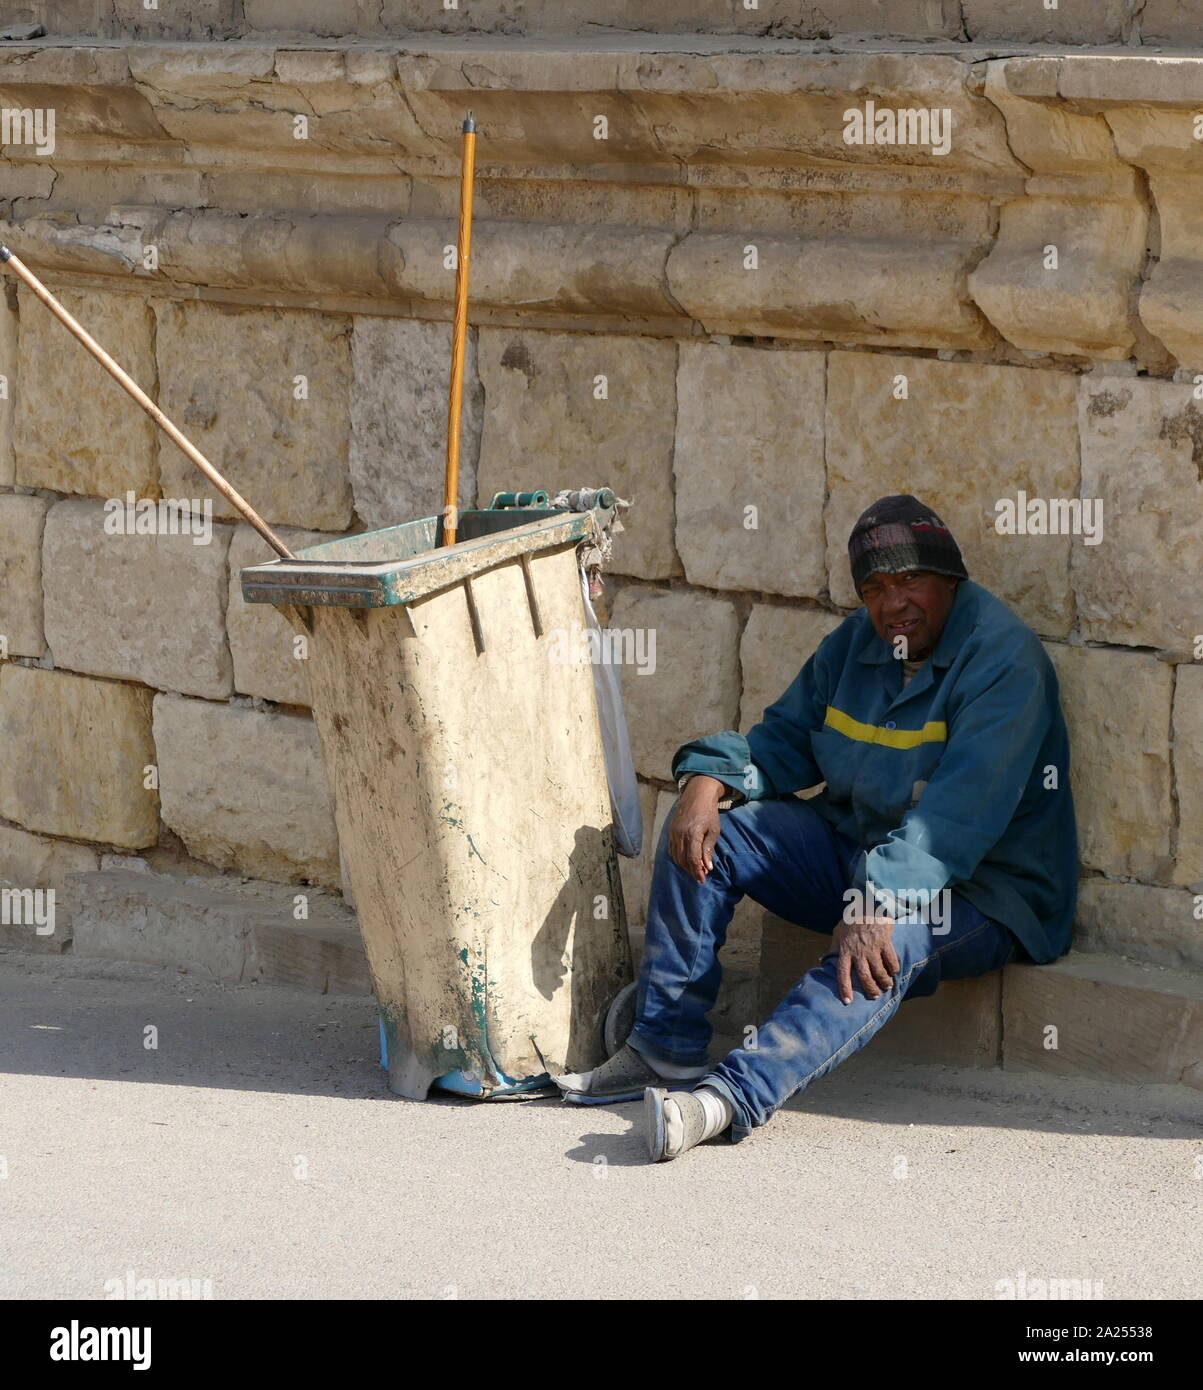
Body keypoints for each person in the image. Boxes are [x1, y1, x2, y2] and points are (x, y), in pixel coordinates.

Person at [555, 494, 1077, 1163]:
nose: (894, 604)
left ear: (950, 580)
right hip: (858, 851)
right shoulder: (856, 646)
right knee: (716, 833)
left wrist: (877, 900)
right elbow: (783, 744)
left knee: (886, 941)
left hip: (983, 891)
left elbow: (954, 821)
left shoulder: (1003, 660)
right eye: (875, 589)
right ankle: (664, 1048)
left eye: (911, 581)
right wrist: (706, 782)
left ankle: (728, 1099)